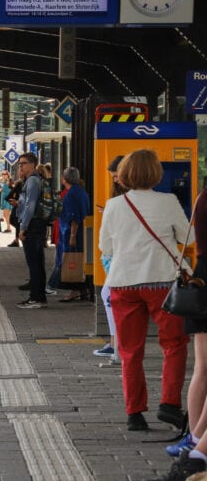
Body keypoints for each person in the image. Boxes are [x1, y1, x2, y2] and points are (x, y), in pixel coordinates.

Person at [98, 149, 192, 433]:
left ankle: (134, 413)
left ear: (124, 174)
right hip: (162, 282)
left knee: (129, 350)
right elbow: (190, 236)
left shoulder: (114, 205)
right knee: (174, 345)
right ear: (156, 174)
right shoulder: (168, 201)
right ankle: (170, 405)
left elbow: (106, 248)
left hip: (123, 283)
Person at [140, 180, 207, 481]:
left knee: (202, 368)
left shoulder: (202, 196)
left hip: (201, 282)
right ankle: (195, 458)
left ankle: (195, 443)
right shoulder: (173, 201)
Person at [95, 155, 126, 362]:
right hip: (124, 259)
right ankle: (117, 345)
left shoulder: (118, 203)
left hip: (120, 258)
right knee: (110, 296)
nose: (114, 180)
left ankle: (118, 346)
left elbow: (104, 244)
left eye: (116, 176)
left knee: (110, 296)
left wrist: (109, 215)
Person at [50, 167, 91, 303]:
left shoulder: (71, 194)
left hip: (71, 233)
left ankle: (75, 290)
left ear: (65, 179)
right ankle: (82, 290)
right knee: (78, 261)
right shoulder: (80, 191)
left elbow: (74, 217)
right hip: (77, 233)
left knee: (72, 261)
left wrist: (72, 236)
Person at [15, 153, 49, 309]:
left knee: (34, 263)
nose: (20, 166)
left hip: (33, 226)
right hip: (36, 225)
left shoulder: (33, 181)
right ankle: (38, 296)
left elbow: (30, 206)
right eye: (19, 164)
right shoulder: (32, 180)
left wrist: (23, 228)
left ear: (33, 164)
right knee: (37, 262)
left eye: (23, 163)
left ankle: (36, 298)